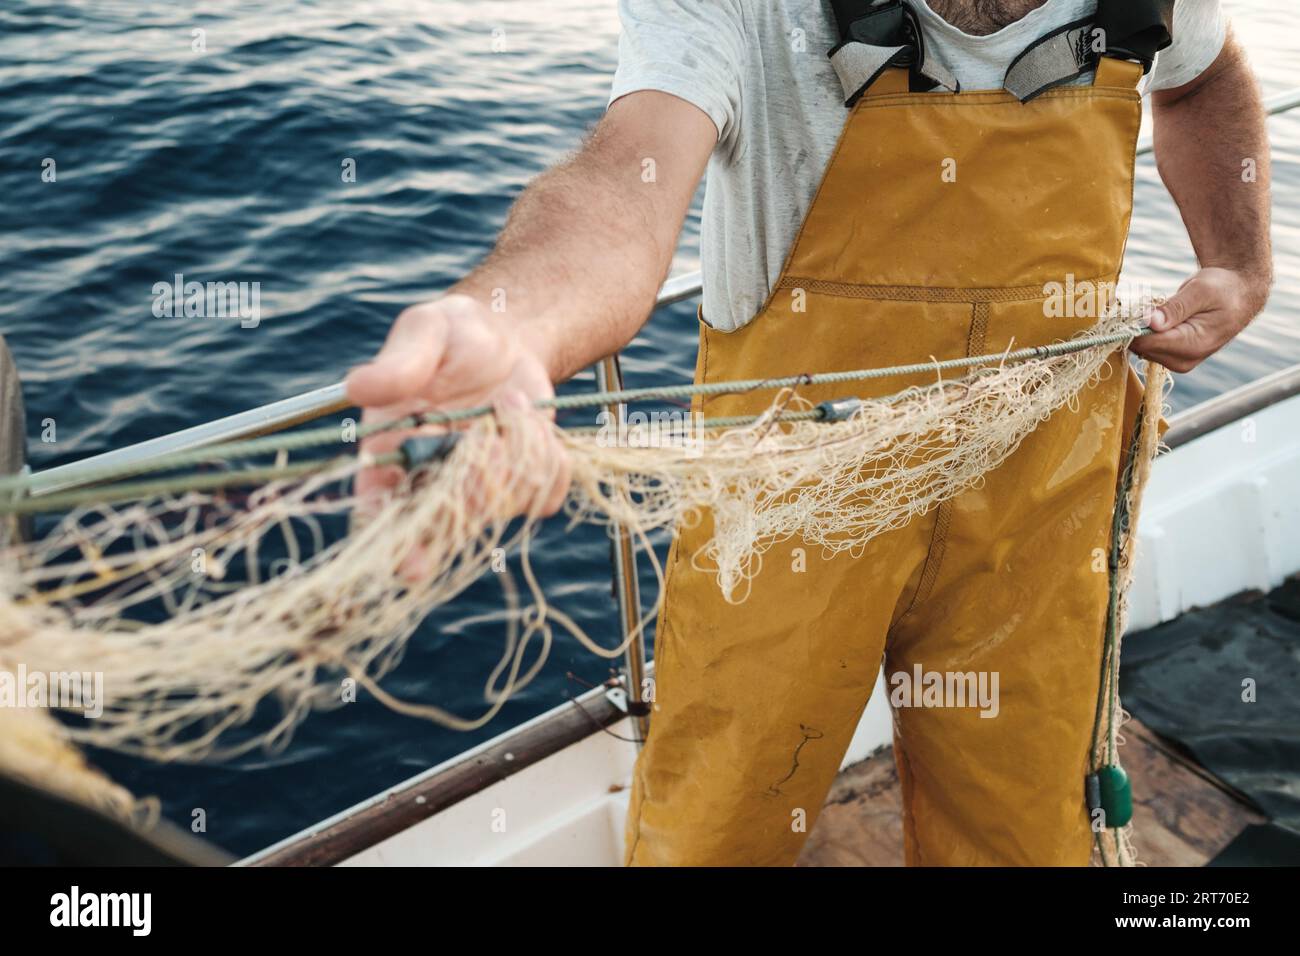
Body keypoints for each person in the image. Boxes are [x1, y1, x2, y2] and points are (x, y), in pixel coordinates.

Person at [346, 0, 1272, 865]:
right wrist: (514, 324)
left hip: (1042, 494)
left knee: (1028, 830)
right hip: (786, 505)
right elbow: (625, 175)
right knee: (719, 823)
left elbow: (1198, 77)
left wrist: (1238, 262)